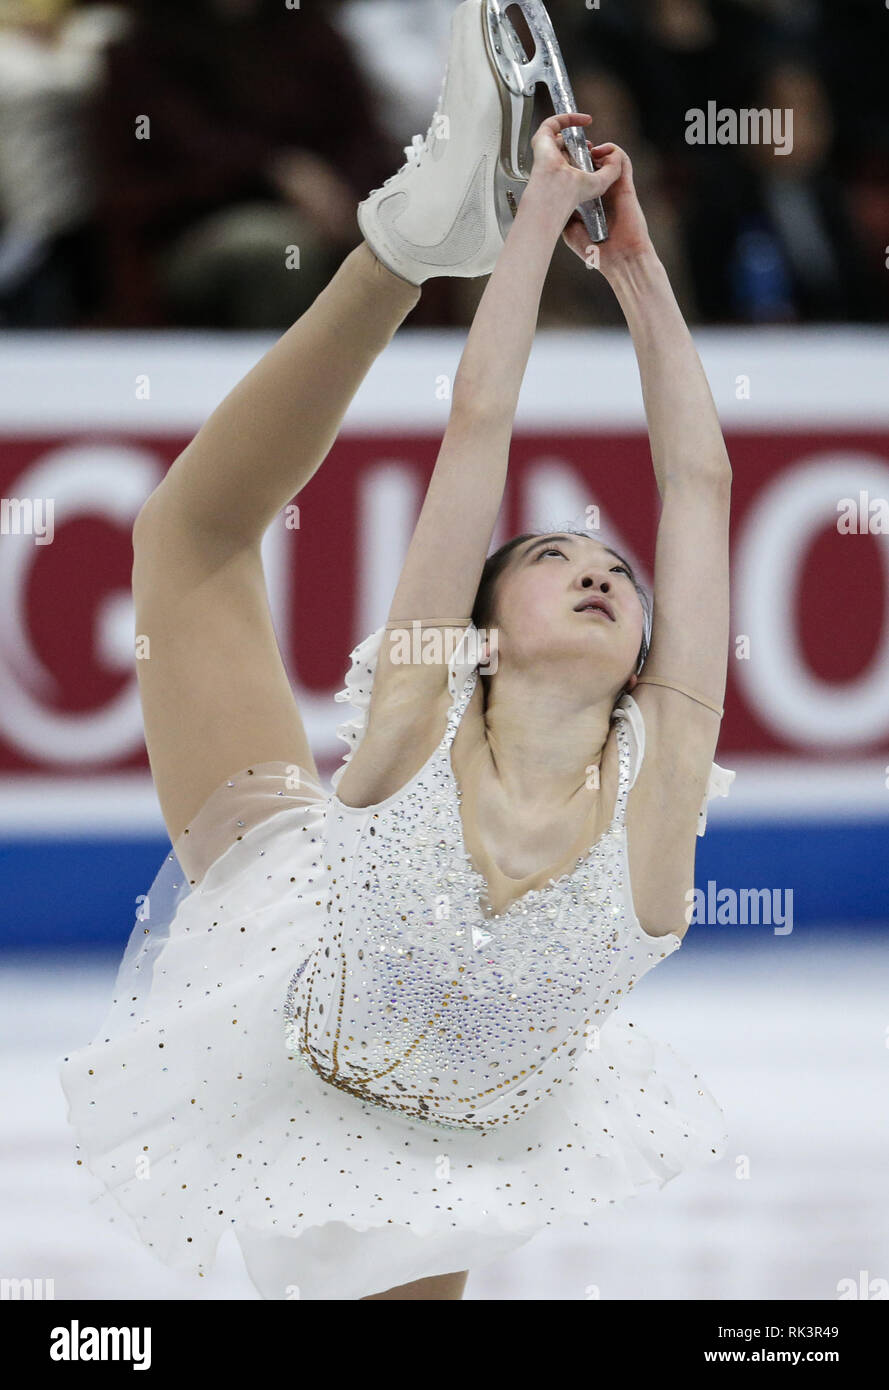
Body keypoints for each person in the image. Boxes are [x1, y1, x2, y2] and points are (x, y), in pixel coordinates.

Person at [59, 0, 734, 1302]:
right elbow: (474, 424)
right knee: (189, 540)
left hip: (436, 1154)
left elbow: (696, 484)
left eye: (609, 570)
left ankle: (415, 236)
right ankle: (408, 241)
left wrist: (645, 274)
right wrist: (531, 232)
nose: (597, 564)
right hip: (282, 982)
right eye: (552, 560)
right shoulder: (421, 714)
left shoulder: (665, 777)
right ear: (477, 637)